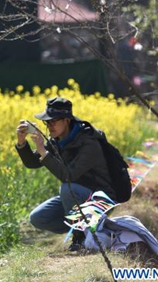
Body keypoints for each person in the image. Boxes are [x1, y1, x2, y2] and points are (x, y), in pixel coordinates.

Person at [15, 96, 115, 250]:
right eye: (47, 122)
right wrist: (22, 143)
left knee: (67, 188)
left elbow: (68, 176)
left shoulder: (89, 142)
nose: (50, 126)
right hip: (76, 197)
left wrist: (43, 151)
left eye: (53, 121)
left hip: (100, 199)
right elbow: (32, 163)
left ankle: (80, 236)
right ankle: (86, 228)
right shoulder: (57, 139)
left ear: (67, 120)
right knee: (38, 218)